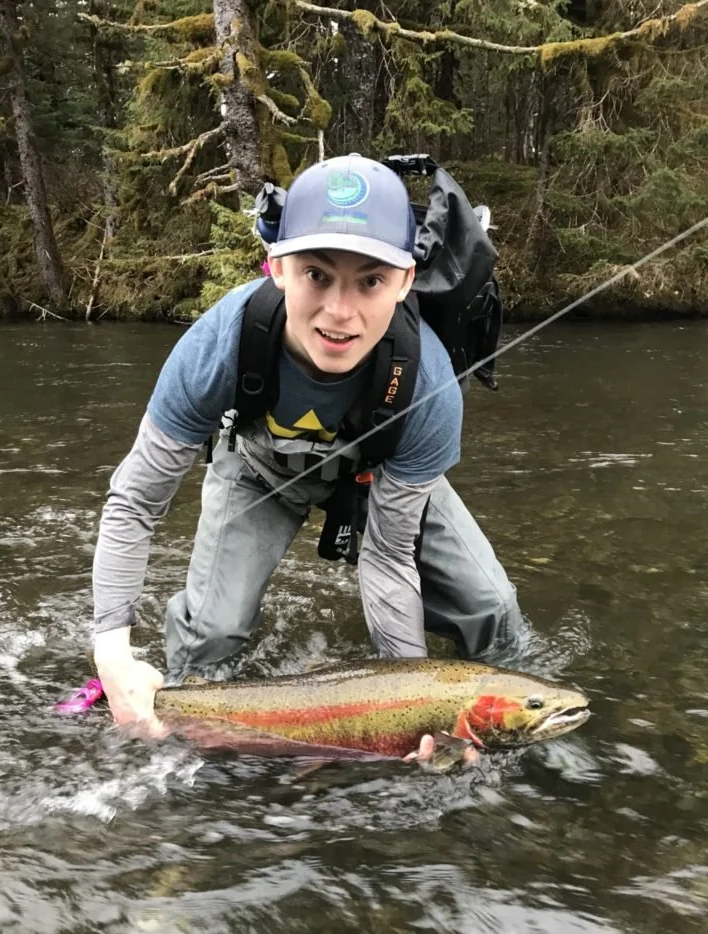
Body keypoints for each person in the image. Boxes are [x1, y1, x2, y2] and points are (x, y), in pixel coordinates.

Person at [91, 153, 523, 756]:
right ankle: (186, 744)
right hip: (259, 472)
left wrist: (409, 707)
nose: (340, 313)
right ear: (276, 267)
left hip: (381, 477)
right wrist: (111, 648)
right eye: (317, 274)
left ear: (404, 281)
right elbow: (136, 500)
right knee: (210, 639)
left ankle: (513, 738)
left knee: (493, 611)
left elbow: (390, 552)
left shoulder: (429, 387)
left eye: (370, 280)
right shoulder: (219, 344)